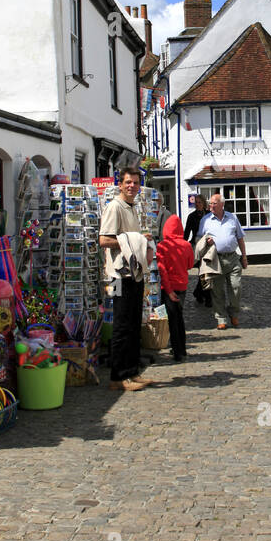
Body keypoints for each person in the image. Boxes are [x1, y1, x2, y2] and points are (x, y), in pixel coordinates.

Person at [99, 166, 155, 392]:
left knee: (133, 324)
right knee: (122, 326)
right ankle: (117, 377)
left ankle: (132, 372)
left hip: (134, 274)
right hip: (118, 276)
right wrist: (136, 239)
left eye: (135, 182)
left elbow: (130, 240)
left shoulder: (132, 207)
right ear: (120, 185)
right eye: (127, 182)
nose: (132, 186)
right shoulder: (115, 207)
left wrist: (142, 240)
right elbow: (104, 240)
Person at [197, 192, 248, 330]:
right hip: (215, 259)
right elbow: (198, 240)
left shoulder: (232, 218)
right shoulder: (205, 220)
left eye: (214, 203)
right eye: (210, 203)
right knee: (217, 291)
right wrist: (205, 241)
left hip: (232, 258)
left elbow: (240, 238)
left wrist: (244, 256)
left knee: (236, 287)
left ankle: (234, 312)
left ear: (222, 204)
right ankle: (221, 318)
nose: (211, 206)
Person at [156, 215, 194, 362]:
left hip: (169, 286)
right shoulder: (186, 245)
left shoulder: (162, 246)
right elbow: (190, 265)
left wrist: (168, 290)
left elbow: (162, 270)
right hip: (182, 285)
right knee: (180, 317)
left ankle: (177, 351)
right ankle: (182, 348)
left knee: (172, 319)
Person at [184, 195, 212, 307]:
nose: (197, 204)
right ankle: (207, 297)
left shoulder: (210, 215)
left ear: (204, 203)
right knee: (203, 271)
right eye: (196, 202)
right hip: (198, 246)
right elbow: (186, 233)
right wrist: (182, 246)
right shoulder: (191, 216)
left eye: (199, 202)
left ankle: (198, 292)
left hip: (209, 246)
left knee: (208, 271)